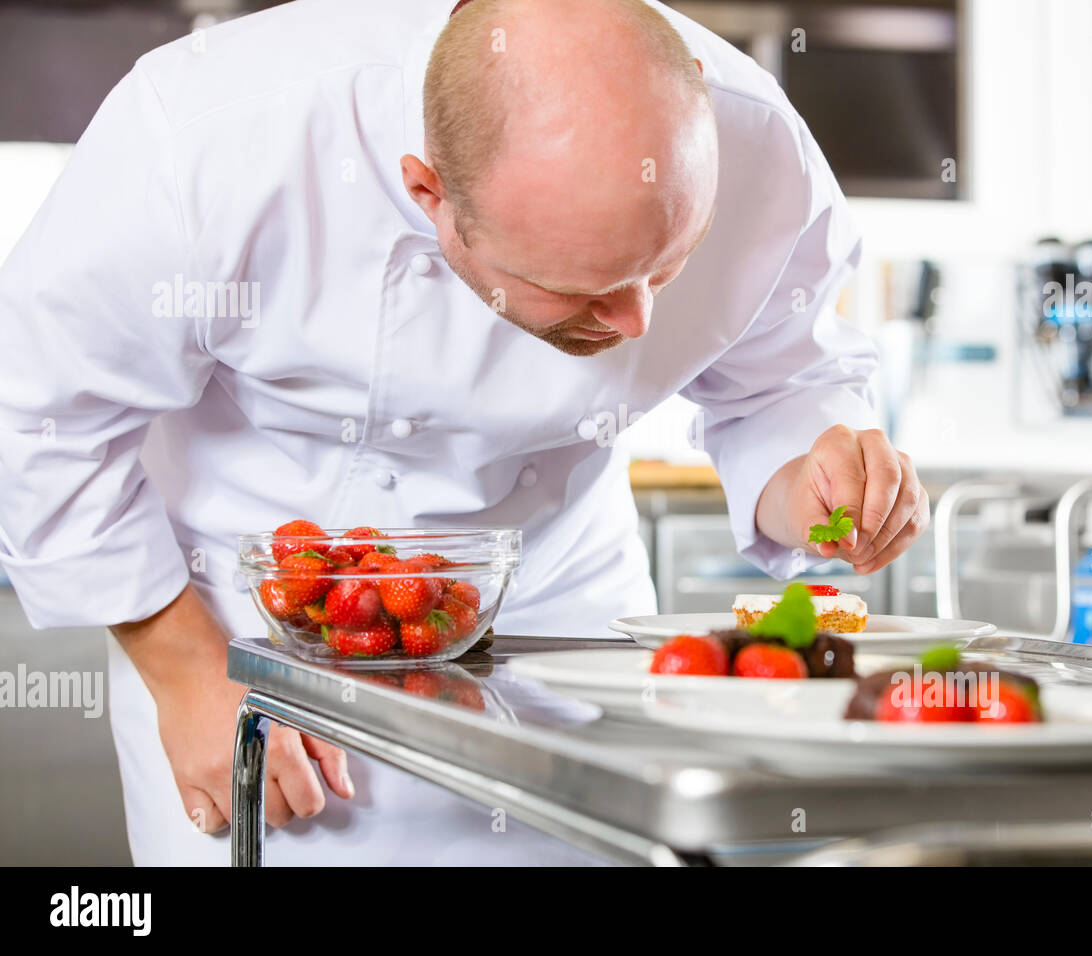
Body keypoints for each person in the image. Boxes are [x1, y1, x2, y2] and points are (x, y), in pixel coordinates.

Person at [0, 0, 928, 865]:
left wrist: (818, 470)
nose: (640, 322)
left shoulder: (760, 145)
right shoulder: (205, 136)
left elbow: (785, 382)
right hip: (244, 647)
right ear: (428, 192)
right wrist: (188, 674)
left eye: (669, 263)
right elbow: (40, 417)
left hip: (560, 639)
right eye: (584, 290)